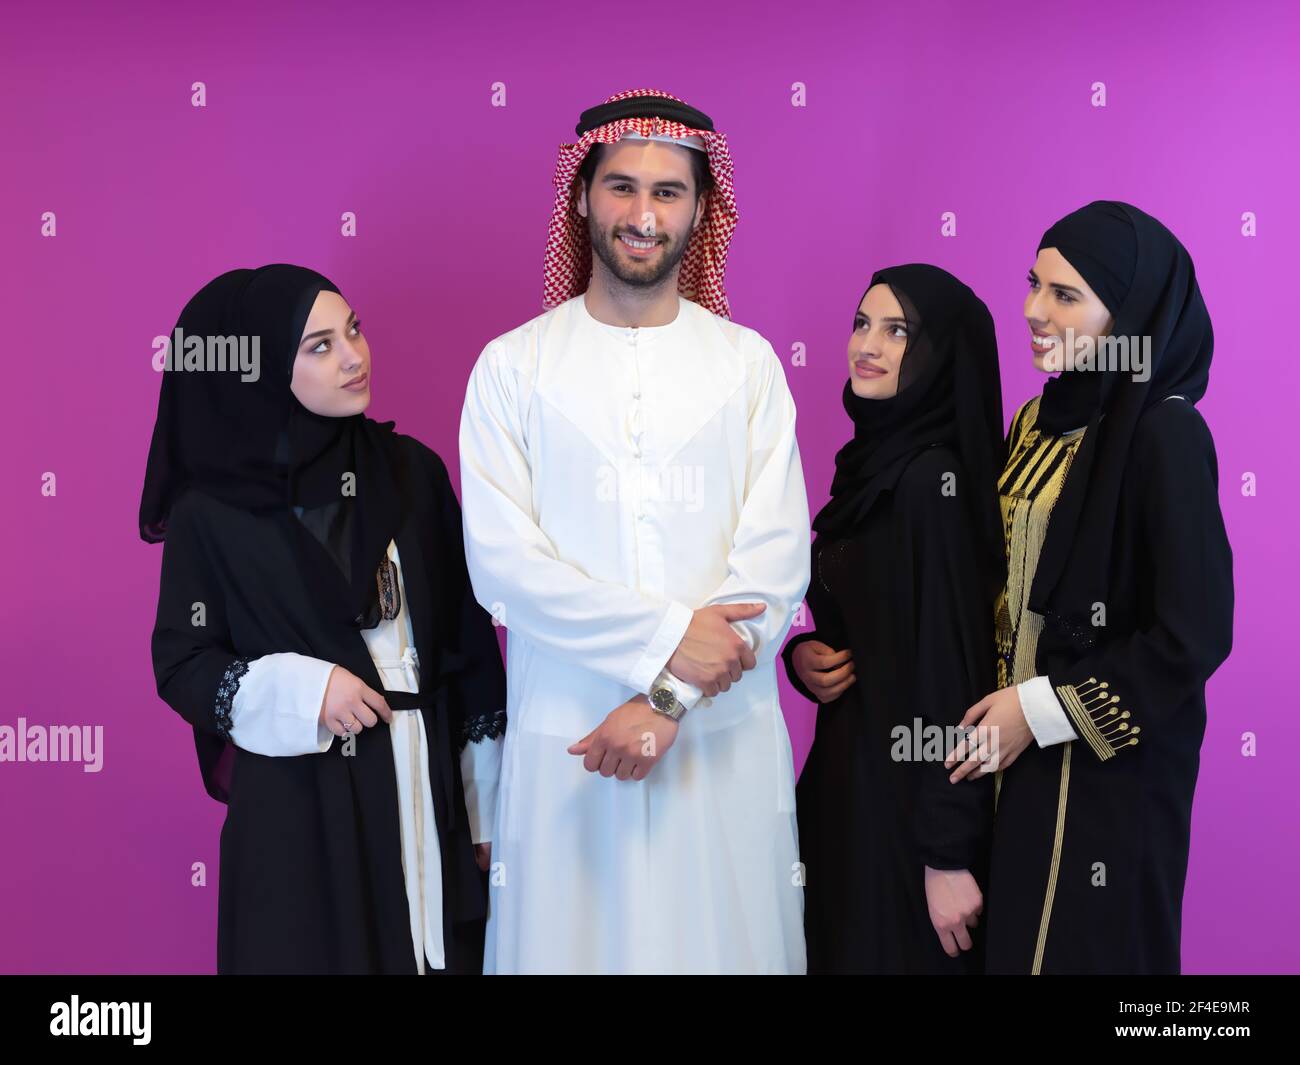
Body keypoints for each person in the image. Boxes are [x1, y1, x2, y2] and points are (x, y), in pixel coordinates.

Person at [458, 89, 810, 973]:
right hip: (574, 741)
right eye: (620, 187)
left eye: (668, 192)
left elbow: (773, 567)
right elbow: (504, 567)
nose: (642, 215)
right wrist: (668, 640)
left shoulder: (748, 365)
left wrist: (664, 700)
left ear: (701, 208)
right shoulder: (513, 367)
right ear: (581, 198)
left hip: (716, 740)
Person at [142, 264, 506, 973]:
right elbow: (183, 660)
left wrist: (486, 806)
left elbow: (468, 646)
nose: (353, 357)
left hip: (423, 790)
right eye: (318, 345)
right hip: (298, 811)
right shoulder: (211, 514)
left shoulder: (411, 472)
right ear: (262, 366)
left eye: (355, 330)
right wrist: (308, 690)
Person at [946, 202, 1234, 974]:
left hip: (1106, 774)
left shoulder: (1165, 433)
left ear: (1130, 314)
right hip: (1011, 759)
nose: (1034, 311)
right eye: (1033, 284)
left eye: (1065, 295)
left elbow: (1194, 633)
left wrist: (1037, 712)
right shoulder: (1038, 419)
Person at [782, 264, 1003, 973]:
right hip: (848, 792)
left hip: (906, 815)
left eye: (897, 330)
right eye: (861, 323)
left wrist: (947, 852)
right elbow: (865, 617)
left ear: (939, 352)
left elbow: (951, 670)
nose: (865, 345)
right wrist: (804, 655)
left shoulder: (930, 484)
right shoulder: (872, 465)